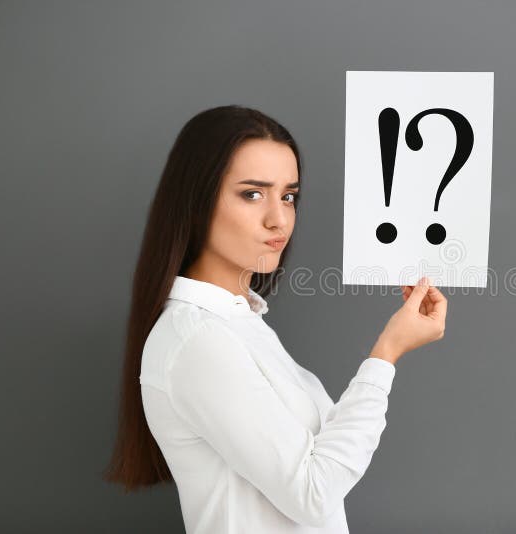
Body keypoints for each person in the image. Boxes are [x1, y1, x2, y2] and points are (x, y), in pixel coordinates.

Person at [103, 105, 448, 533]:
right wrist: (387, 353)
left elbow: (320, 466)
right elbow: (312, 492)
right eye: (252, 193)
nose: (279, 218)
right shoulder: (197, 339)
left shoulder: (238, 322)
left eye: (288, 195)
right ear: (196, 201)